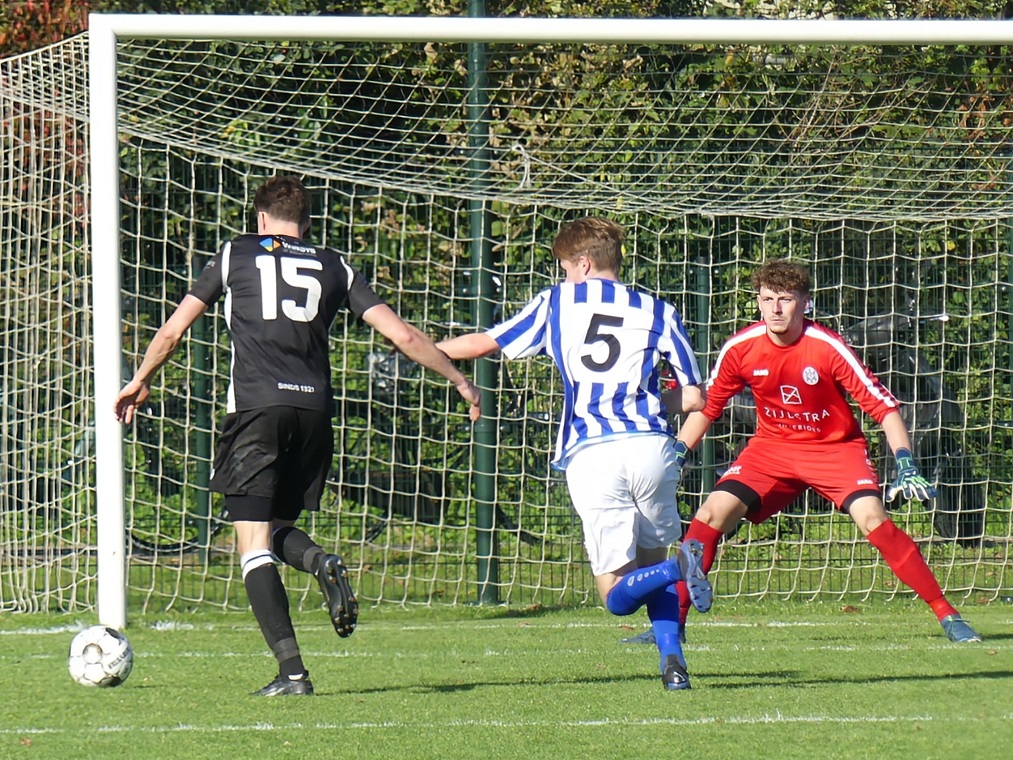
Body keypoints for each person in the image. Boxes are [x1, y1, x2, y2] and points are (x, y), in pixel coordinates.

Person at [114, 175, 482, 696]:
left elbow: (174, 331)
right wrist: (459, 379)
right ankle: (319, 561)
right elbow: (401, 334)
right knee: (277, 528)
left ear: (261, 218)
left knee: (251, 544)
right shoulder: (334, 264)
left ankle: (292, 673)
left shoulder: (235, 253)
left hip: (256, 410)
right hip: (314, 413)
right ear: (306, 223)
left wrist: (141, 378)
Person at [437, 216, 713, 690]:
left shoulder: (557, 302)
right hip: (651, 449)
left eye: (565, 267)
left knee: (616, 594)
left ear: (583, 265)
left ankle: (679, 568)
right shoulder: (658, 310)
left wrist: (422, 348)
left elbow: (486, 343)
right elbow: (694, 398)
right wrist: (648, 402)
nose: (563, 275)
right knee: (651, 568)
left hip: (593, 453)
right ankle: (674, 664)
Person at [672, 258, 981, 644]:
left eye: (785, 299)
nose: (775, 309)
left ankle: (947, 614)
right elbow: (709, 406)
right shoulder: (741, 347)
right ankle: (672, 626)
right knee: (710, 514)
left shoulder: (828, 347)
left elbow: (885, 409)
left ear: (806, 303)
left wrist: (905, 461)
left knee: (874, 520)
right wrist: (678, 452)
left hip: (834, 451)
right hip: (771, 449)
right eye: (767, 299)